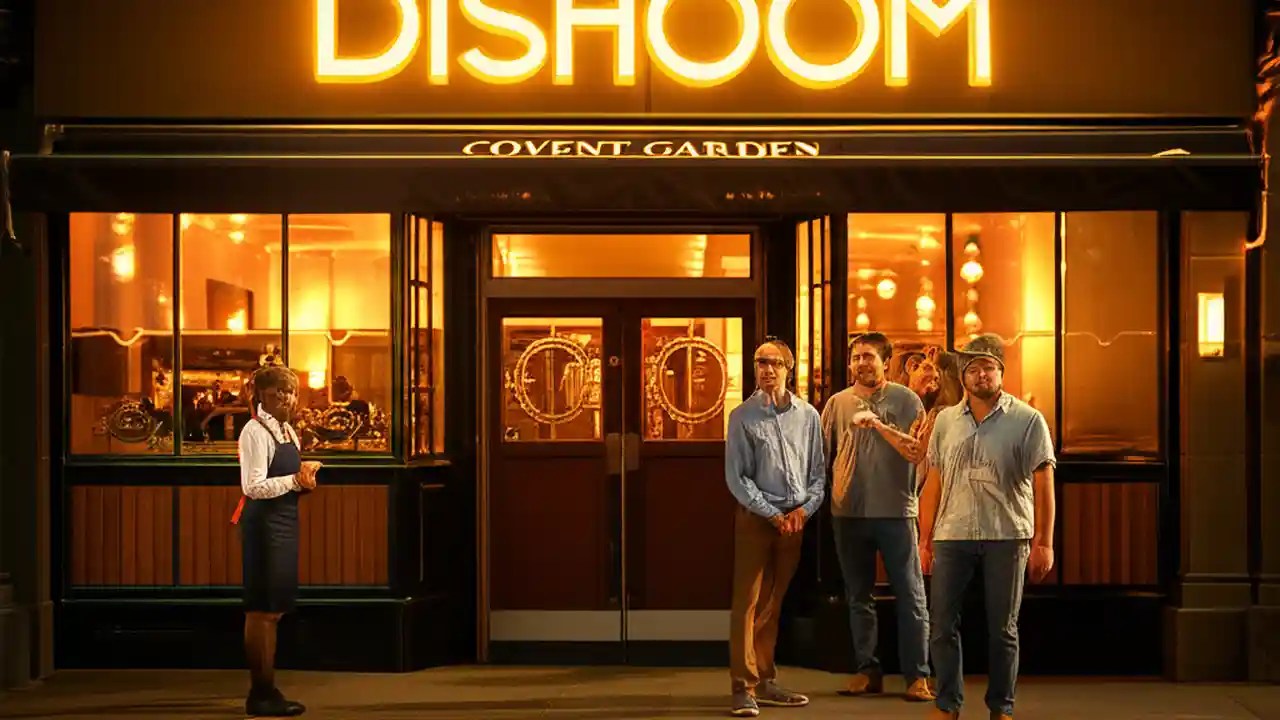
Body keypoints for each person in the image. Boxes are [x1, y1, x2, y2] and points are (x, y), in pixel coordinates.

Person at [918, 334, 1056, 720]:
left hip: (1007, 534)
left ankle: (1001, 707)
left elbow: (1044, 481)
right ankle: (947, 704)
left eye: (989, 368)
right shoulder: (945, 421)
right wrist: (924, 540)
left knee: (1003, 629)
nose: (981, 375)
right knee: (942, 625)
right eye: (973, 368)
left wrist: (1044, 542)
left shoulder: (1027, 420)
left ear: (1001, 373)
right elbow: (934, 481)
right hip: (952, 534)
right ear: (963, 375)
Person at [821, 332, 933, 702]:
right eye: (855, 357)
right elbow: (824, 456)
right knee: (858, 596)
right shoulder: (836, 404)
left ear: (886, 361)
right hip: (848, 513)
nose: (861, 363)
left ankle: (918, 675)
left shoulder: (907, 401)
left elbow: (919, 454)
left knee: (911, 595)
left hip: (896, 512)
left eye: (868, 356)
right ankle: (866, 670)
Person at [725, 338, 826, 717]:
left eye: (774, 363)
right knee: (747, 603)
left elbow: (818, 473)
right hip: (757, 518)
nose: (766, 369)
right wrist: (771, 512)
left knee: (774, 601)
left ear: (789, 368)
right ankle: (742, 686)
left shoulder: (809, 416)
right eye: (760, 362)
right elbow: (737, 477)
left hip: (794, 520)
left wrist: (805, 510)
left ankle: (765, 678)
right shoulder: (742, 417)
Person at [235, 366, 321, 717]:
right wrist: (295, 482)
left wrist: (305, 479)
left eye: (290, 392)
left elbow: (288, 479)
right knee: (262, 610)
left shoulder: (288, 431)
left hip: (285, 521)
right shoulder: (254, 432)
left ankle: (267, 686)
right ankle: (261, 693)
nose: (286, 398)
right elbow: (252, 487)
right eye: (277, 393)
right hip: (264, 525)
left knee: (276, 609)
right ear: (261, 397)